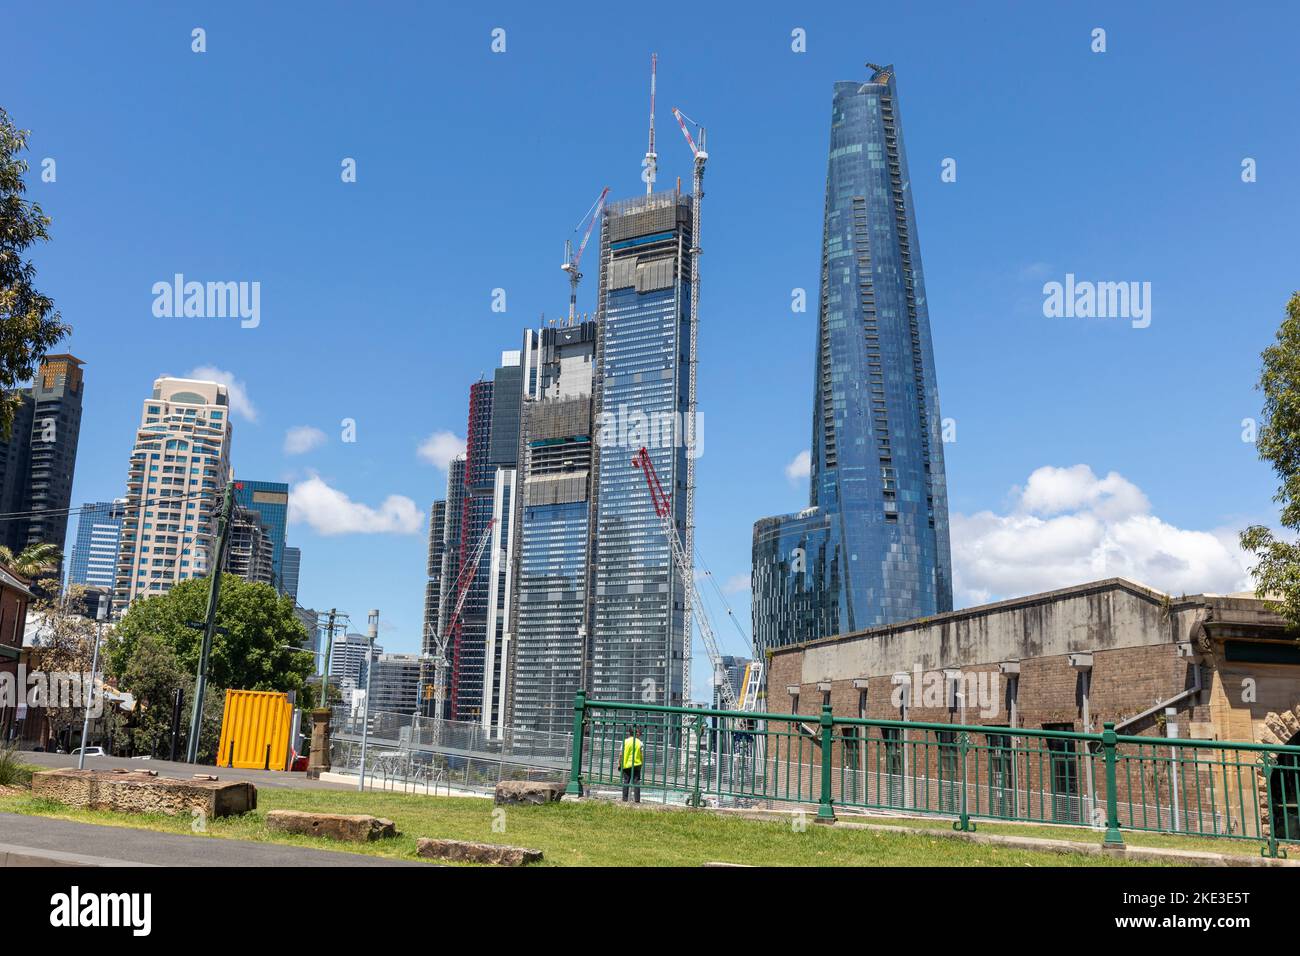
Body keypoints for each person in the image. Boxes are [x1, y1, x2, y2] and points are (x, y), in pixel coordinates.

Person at [620, 724, 644, 803]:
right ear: (636, 733)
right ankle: (637, 800)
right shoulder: (640, 743)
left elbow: (621, 754)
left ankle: (625, 799)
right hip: (637, 764)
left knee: (626, 781)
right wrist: (641, 763)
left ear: (629, 732)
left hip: (626, 764)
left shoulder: (625, 741)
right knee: (636, 782)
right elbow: (641, 754)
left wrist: (619, 763)